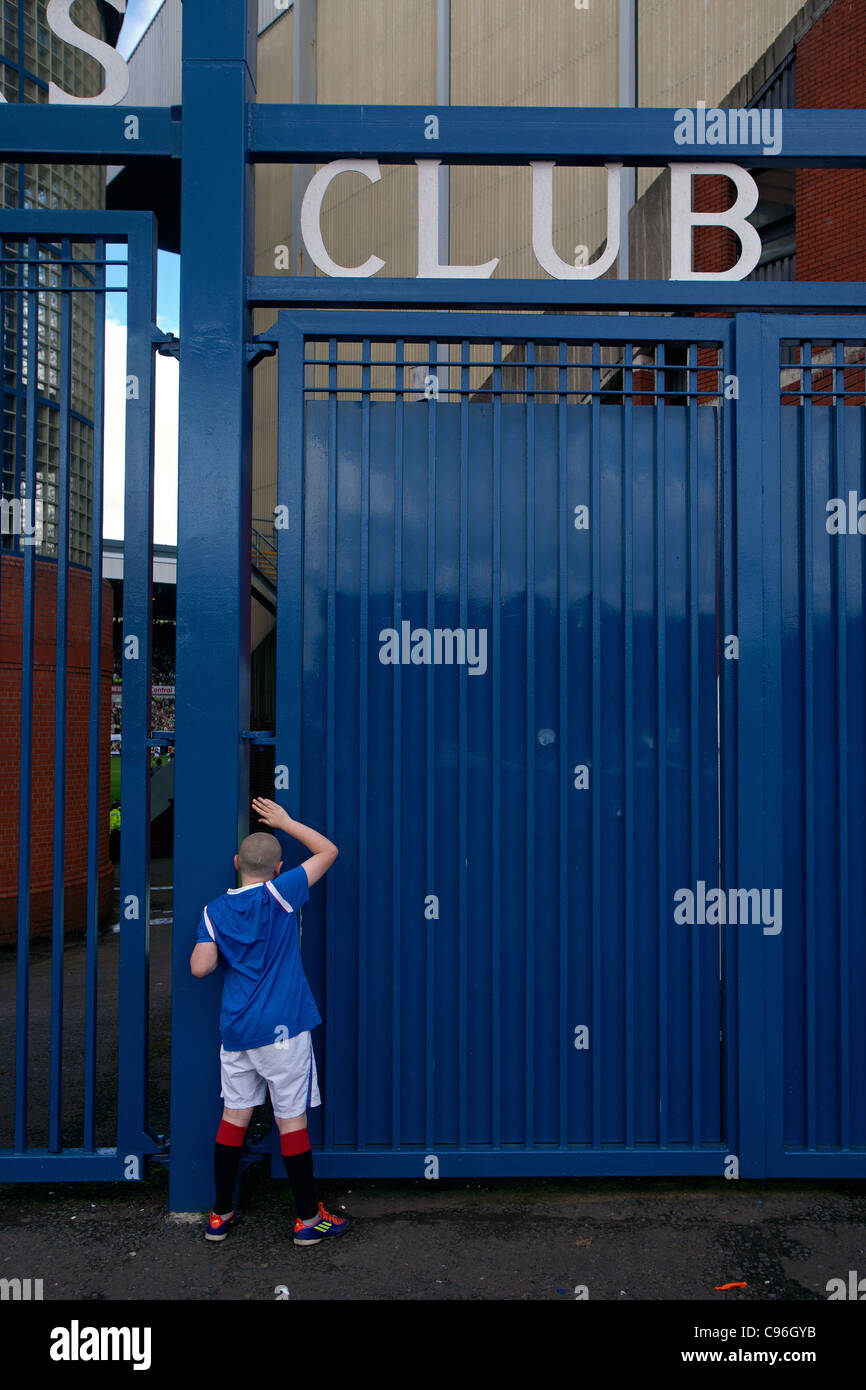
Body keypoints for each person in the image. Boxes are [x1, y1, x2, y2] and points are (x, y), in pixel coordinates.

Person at [189, 796, 350, 1247]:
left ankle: (219, 1215)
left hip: (237, 1032)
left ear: (236, 862)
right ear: (279, 868)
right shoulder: (283, 893)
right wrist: (286, 821)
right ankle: (306, 1220)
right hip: (283, 1031)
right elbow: (329, 851)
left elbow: (200, 968)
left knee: (234, 1116)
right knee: (291, 1121)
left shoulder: (213, 911)